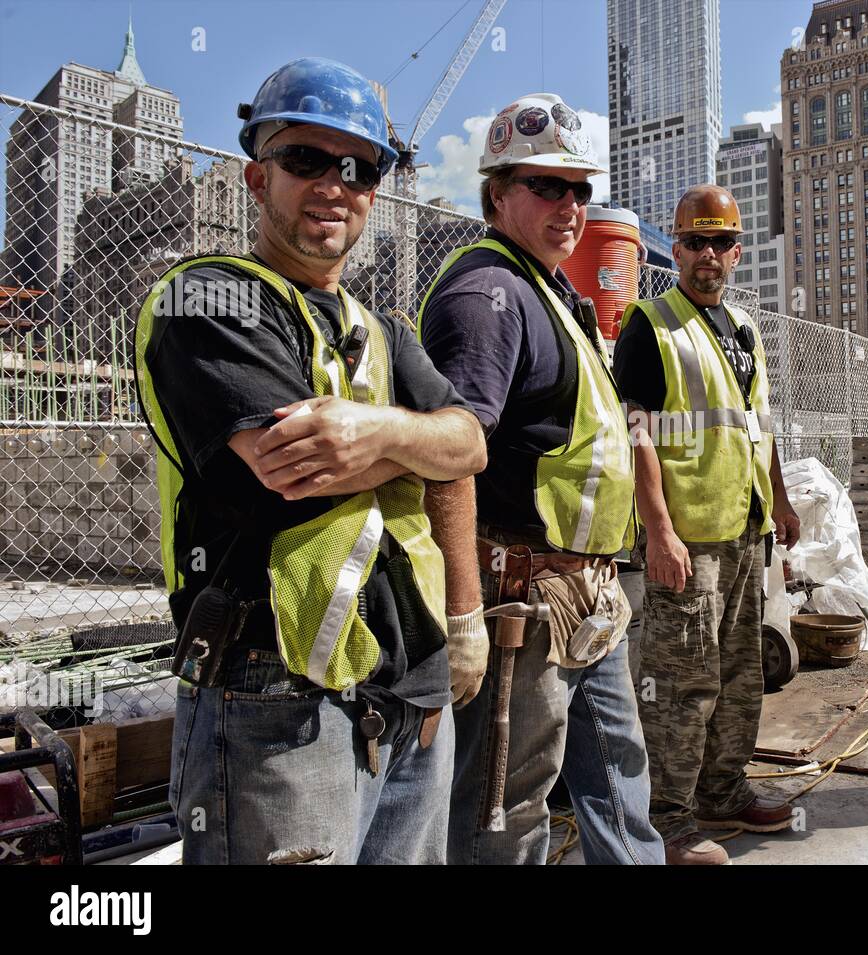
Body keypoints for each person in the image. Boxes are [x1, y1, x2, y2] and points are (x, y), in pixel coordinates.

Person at [135, 58, 487, 864]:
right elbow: (292, 465)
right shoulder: (207, 299)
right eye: (305, 160)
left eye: (357, 168)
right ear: (258, 178)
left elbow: (469, 443)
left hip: (408, 686)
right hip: (272, 703)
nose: (334, 182)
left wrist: (375, 436)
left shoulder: (384, 327)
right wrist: (416, 443)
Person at [418, 93, 663, 865]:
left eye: (580, 189)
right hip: (518, 598)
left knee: (619, 774)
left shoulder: (551, 292)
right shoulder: (485, 297)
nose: (570, 205)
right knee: (506, 799)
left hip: (586, 596)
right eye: (546, 186)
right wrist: (463, 613)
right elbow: (447, 457)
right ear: (497, 193)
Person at [613, 185, 801, 865]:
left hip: (747, 532)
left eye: (721, 242)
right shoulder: (650, 323)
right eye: (694, 242)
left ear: (737, 251)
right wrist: (657, 530)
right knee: (681, 684)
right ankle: (668, 815)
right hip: (688, 540)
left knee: (739, 674)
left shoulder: (744, 327)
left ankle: (723, 790)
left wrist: (779, 499)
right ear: (677, 247)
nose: (707, 255)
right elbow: (635, 433)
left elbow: (761, 426)